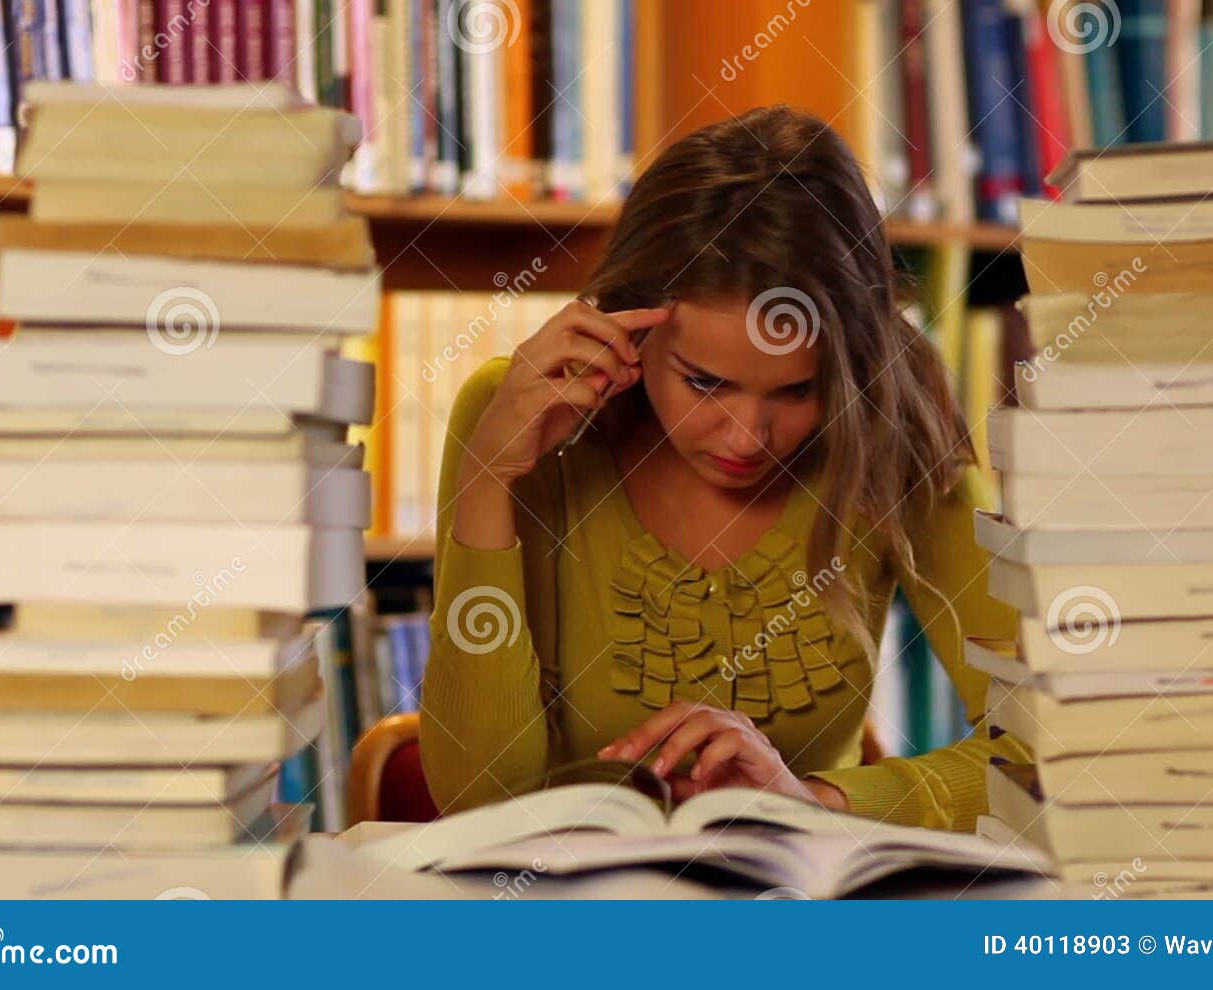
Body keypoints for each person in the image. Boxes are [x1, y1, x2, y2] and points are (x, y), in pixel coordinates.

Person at [420, 105, 1027, 830]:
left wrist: (816, 801)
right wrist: (487, 482)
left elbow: (1048, 750)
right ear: (630, 326)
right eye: (705, 382)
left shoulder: (890, 426)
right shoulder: (517, 414)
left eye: (800, 389)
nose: (748, 438)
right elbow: (479, 796)